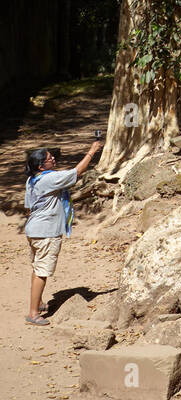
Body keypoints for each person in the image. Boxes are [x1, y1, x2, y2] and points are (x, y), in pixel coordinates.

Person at [24, 137, 102, 325]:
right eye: (50, 159)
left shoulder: (32, 180)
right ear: (41, 166)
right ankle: (33, 314)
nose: (54, 160)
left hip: (33, 229)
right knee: (42, 271)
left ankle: (39, 302)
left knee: (37, 268)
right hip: (46, 232)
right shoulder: (50, 178)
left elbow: (28, 207)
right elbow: (77, 172)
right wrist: (92, 151)